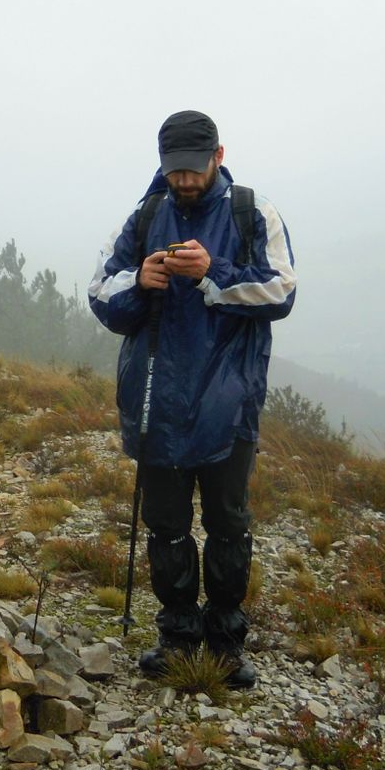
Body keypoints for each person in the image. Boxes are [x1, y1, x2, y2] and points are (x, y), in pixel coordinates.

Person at [88, 110, 296, 688]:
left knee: (229, 523)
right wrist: (142, 281)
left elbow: (281, 290)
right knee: (167, 526)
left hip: (230, 404)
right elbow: (101, 292)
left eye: (194, 169)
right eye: (173, 169)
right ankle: (178, 634)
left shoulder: (252, 212)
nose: (183, 180)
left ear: (219, 157)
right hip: (155, 398)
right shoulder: (144, 216)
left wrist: (213, 273)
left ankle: (227, 644)